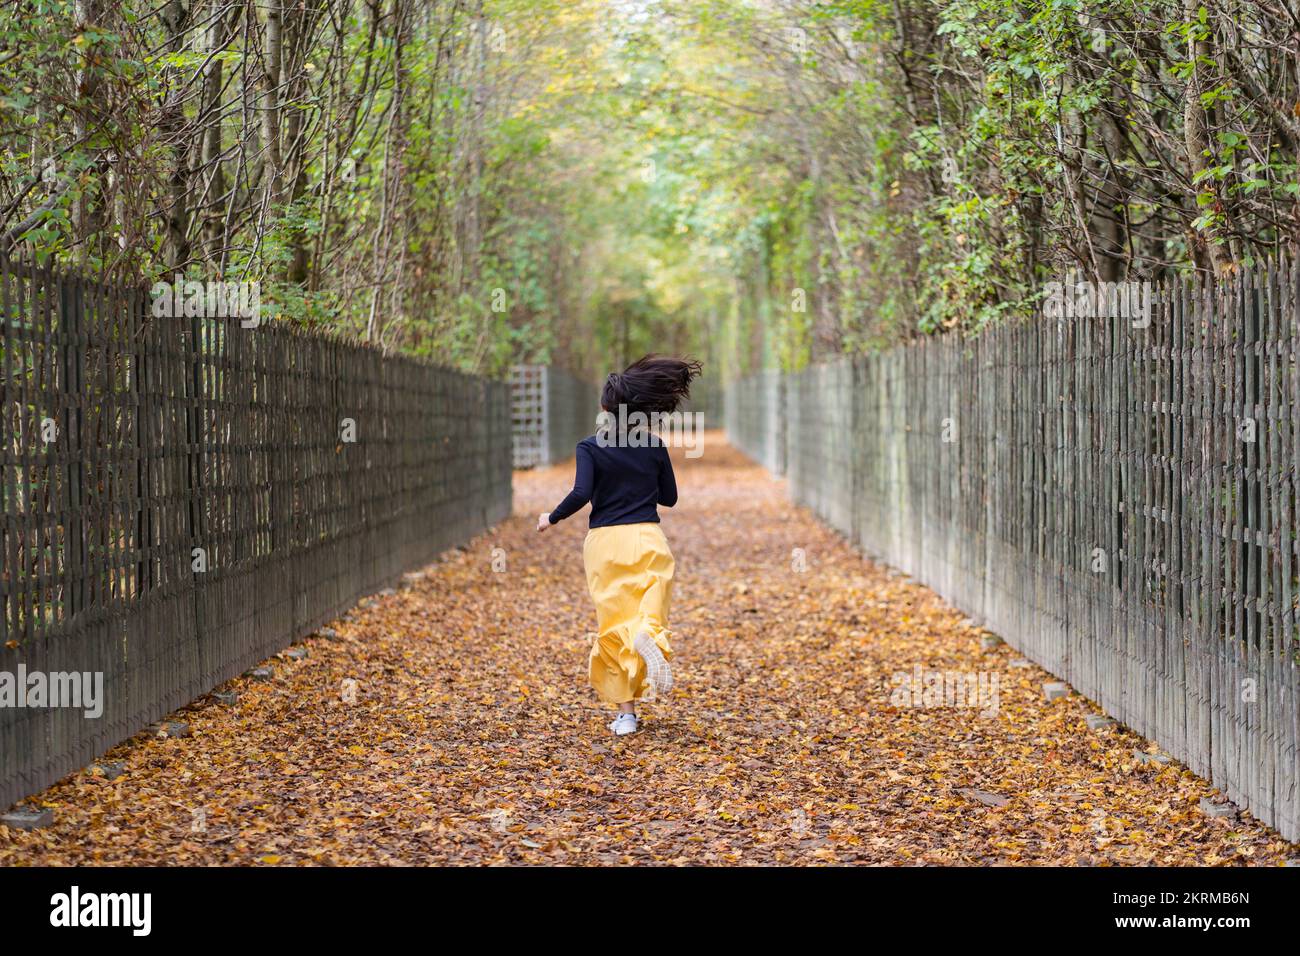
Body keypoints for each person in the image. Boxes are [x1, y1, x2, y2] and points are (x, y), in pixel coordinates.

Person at [537, 354, 701, 735]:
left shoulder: (589, 447)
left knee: (613, 623)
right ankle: (648, 637)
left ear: (605, 408)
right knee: (650, 605)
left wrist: (552, 517)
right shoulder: (654, 445)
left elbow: (581, 493)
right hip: (647, 536)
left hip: (606, 544)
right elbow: (670, 499)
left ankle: (626, 715)